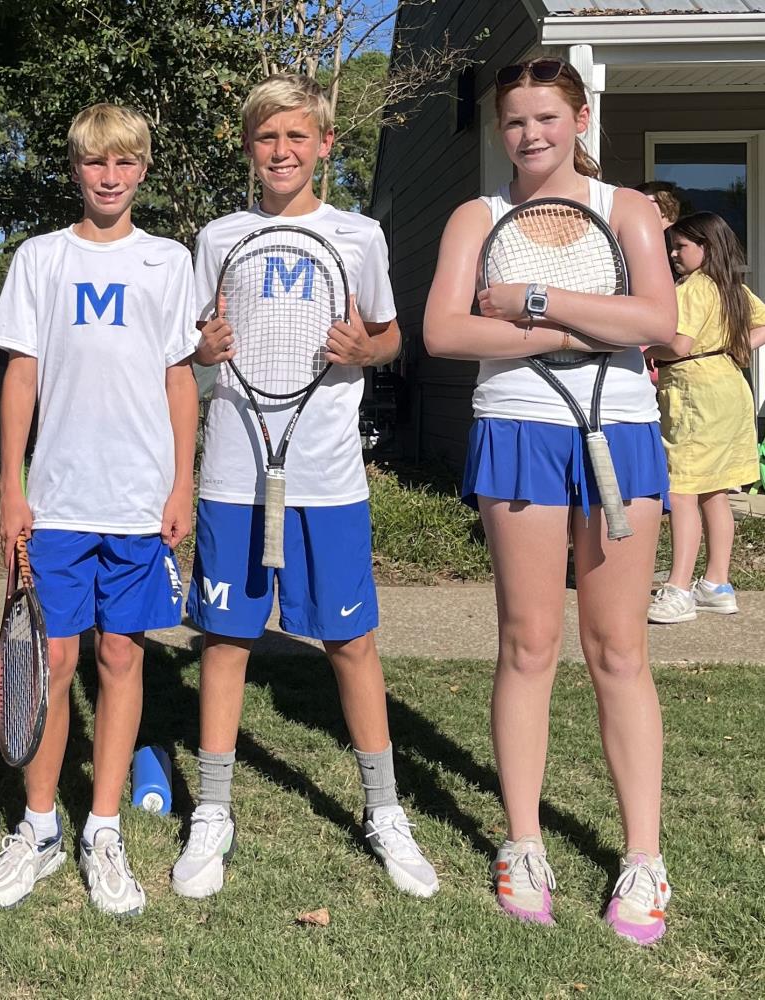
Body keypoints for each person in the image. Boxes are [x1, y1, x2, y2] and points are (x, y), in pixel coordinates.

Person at [423, 58, 677, 944]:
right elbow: (444, 329)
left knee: (619, 651)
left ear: (579, 119)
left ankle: (642, 858)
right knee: (527, 645)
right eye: (514, 121)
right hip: (517, 433)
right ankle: (522, 843)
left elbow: (655, 322)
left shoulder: (626, 209)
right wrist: (580, 330)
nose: (528, 135)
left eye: (544, 118)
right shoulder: (476, 216)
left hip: (621, 432)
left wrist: (532, 306)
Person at [175, 73, 438, 902]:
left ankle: (383, 810)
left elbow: (389, 336)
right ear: (247, 148)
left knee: (351, 643)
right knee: (225, 640)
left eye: (296, 136)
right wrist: (203, 351)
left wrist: (367, 351)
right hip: (232, 473)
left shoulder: (359, 235)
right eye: (266, 137)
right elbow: (193, 345)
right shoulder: (217, 237)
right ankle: (212, 812)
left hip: (327, 477)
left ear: (325, 144)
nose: (281, 151)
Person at [0, 103, 198, 916]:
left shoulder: (168, 261)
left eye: (124, 162)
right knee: (52, 662)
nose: (109, 176)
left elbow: (179, 377)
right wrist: (12, 486)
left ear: (143, 169)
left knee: (122, 660)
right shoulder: (40, 257)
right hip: (57, 503)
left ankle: (102, 828)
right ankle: (38, 828)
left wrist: (180, 484)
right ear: (74, 168)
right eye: (95, 162)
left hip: (137, 501)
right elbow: (20, 377)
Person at [645, 213, 765, 623]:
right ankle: (716, 583)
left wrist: (647, 351)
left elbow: (679, 345)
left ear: (706, 247)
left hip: (695, 394)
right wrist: (735, 346)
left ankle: (679, 588)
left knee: (681, 491)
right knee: (715, 491)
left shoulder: (692, 288)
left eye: (681, 246)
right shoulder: (730, 286)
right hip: (728, 389)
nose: (673, 254)